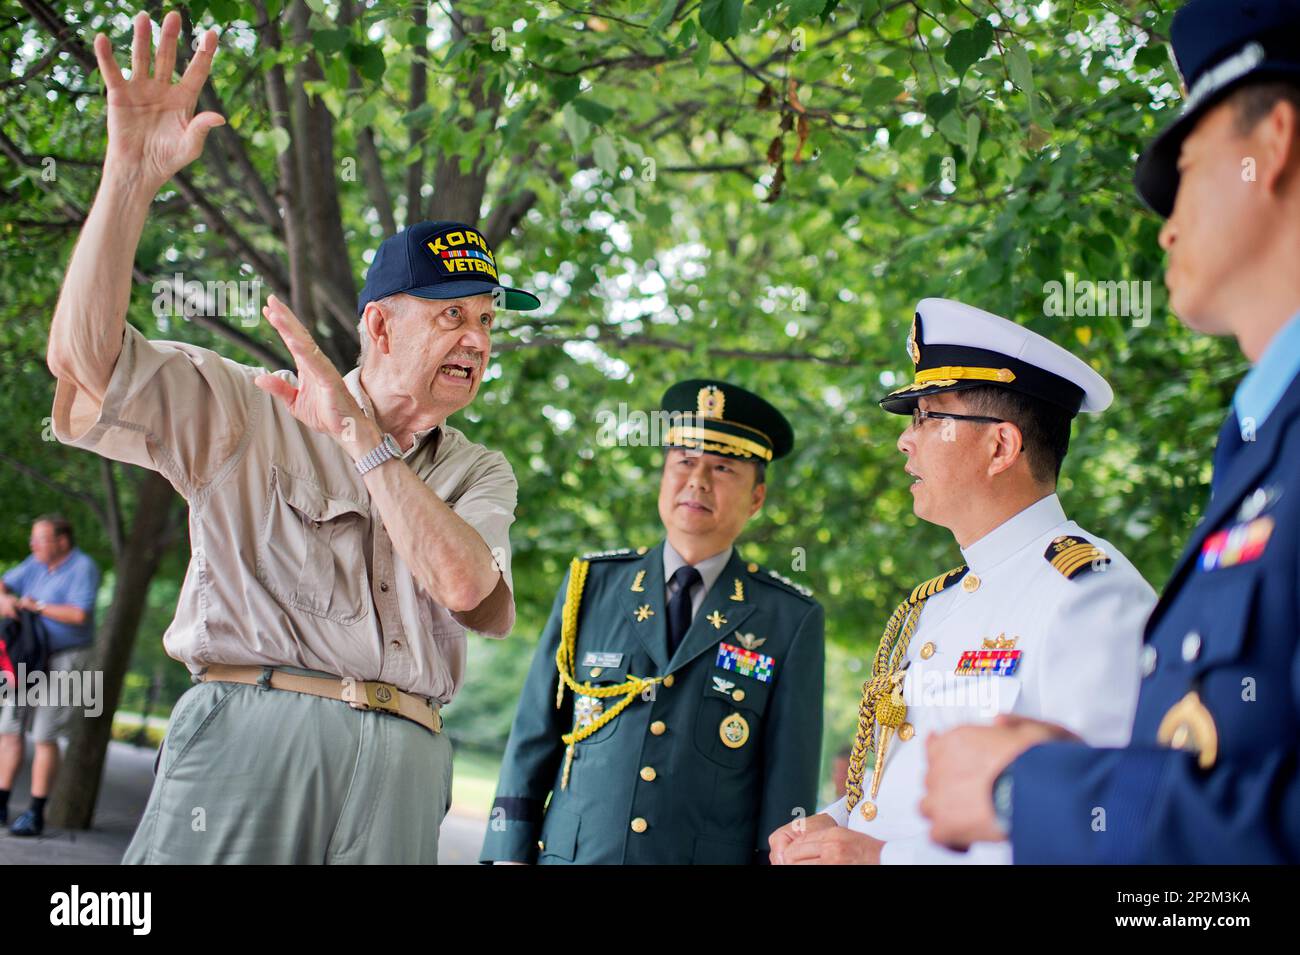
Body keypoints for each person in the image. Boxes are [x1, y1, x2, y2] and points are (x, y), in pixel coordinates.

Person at [44, 11, 539, 863]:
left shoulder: (481, 470)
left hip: (406, 765)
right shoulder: (249, 406)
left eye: (489, 322)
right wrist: (127, 176)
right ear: (378, 327)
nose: (478, 341)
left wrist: (361, 440)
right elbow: (87, 364)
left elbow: (467, 587)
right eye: (452, 316)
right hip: (251, 741)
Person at [920, 0, 1300, 864]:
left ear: (1272, 145)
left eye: (1187, 168)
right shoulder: (1257, 444)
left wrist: (1032, 790)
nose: (1163, 222)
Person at [768, 299, 1156, 864]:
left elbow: (1116, 820)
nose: (906, 439)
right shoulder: (936, 606)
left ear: (1001, 446)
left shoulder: (1089, 594)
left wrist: (884, 860)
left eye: (929, 417)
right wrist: (833, 822)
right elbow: (896, 784)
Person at [480, 380, 825, 864]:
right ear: (664, 476)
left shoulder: (789, 619)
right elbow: (534, 735)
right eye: (684, 462)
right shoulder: (591, 584)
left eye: (723, 468)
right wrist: (507, 853)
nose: (698, 481)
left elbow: (789, 781)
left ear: (756, 498)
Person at [0, 516, 101, 836]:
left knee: (45, 733)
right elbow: (5, 583)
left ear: (62, 541)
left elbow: (79, 614)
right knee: (10, 728)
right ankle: (1, 802)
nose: (33, 545)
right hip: (28, 654)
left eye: (40, 539)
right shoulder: (35, 562)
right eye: (33, 539)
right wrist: (5, 599)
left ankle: (35, 812)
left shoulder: (83, 567)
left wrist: (36, 606)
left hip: (68, 658)